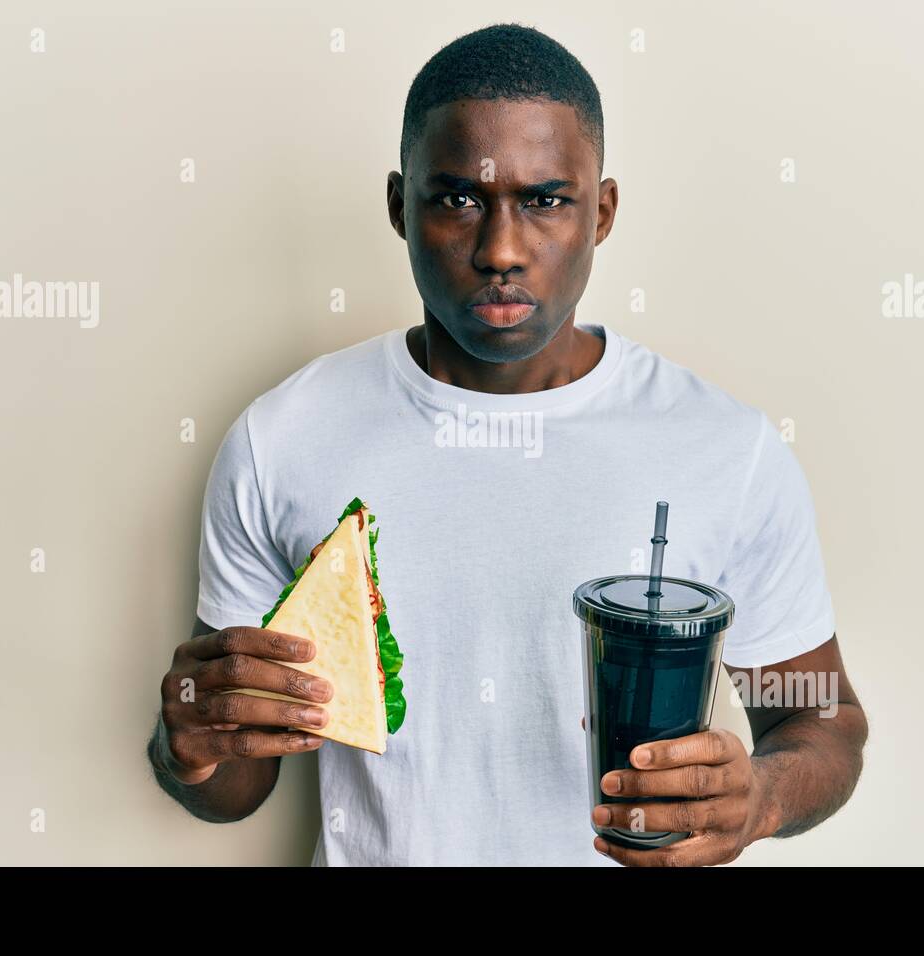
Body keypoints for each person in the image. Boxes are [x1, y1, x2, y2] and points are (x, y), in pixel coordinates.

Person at [147, 22, 868, 866]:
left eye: (545, 200)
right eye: (457, 199)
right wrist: (189, 743)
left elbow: (822, 721)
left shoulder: (724, 448)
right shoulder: (282, 439)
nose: (501, 250)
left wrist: (761, 801)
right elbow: (233, 787)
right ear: (397, 206)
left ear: (601, 212)